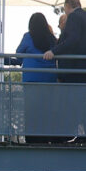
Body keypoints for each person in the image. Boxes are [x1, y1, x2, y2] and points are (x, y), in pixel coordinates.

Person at [51, 0, 86, 143]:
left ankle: (77, 135)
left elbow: (73, 39)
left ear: (68, 6)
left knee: (76, 102)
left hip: (76, 68)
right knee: (82, 101)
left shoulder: (73, 17)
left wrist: (54, 51)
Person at [15, 12, 59, 144]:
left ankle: (32, 140)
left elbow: (18, 55)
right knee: (47, 112)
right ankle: (47, 140)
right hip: (49, 81)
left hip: (31, 81)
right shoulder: (52, 39)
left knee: (31, 112)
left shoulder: (28, 37)